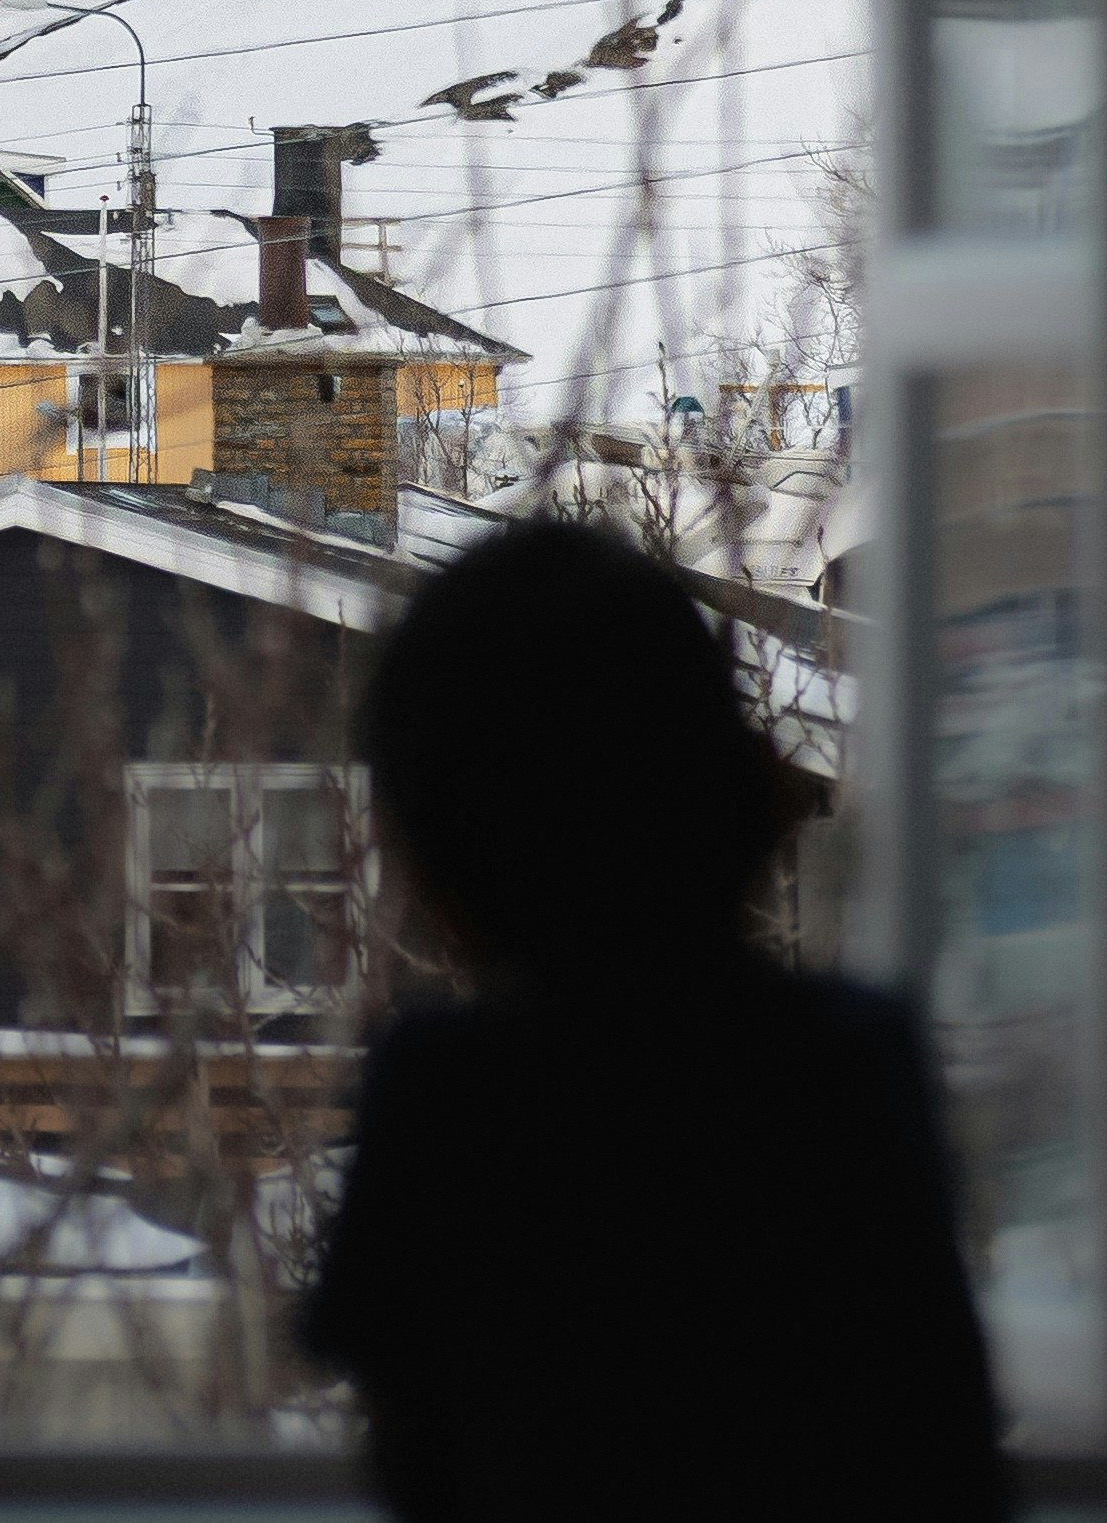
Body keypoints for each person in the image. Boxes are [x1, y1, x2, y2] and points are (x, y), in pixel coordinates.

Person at [305, 518, 1005, 1521]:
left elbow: (418, 1461)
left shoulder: (446, 1095)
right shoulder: (846, 1065)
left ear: (436, 867)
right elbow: (946, 1450)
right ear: (745, 784)